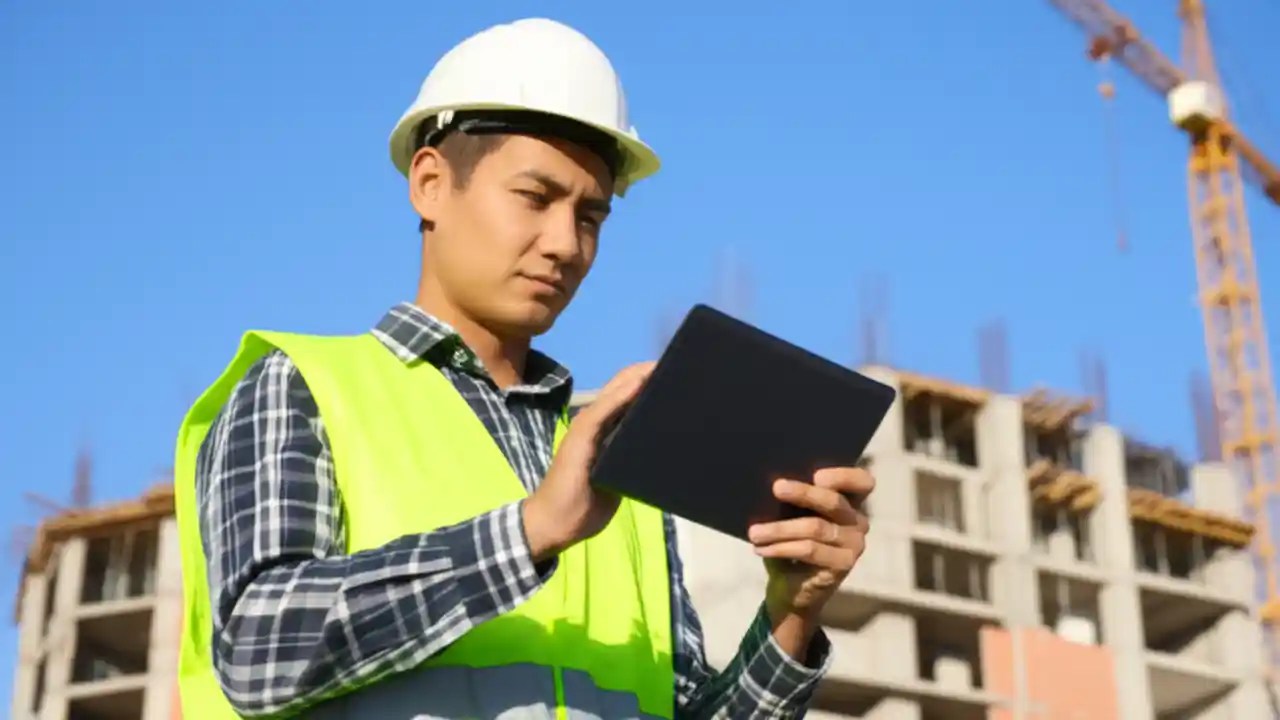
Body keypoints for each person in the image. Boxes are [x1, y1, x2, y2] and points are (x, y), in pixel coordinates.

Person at [173, 17, 875, 720]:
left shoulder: (620, 475)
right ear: (430, 184)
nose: (565, 244)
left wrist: (791, 616)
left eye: (591, 217)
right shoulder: (301, 387)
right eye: (535, 199)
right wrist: (529, 533)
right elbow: (258, 649)